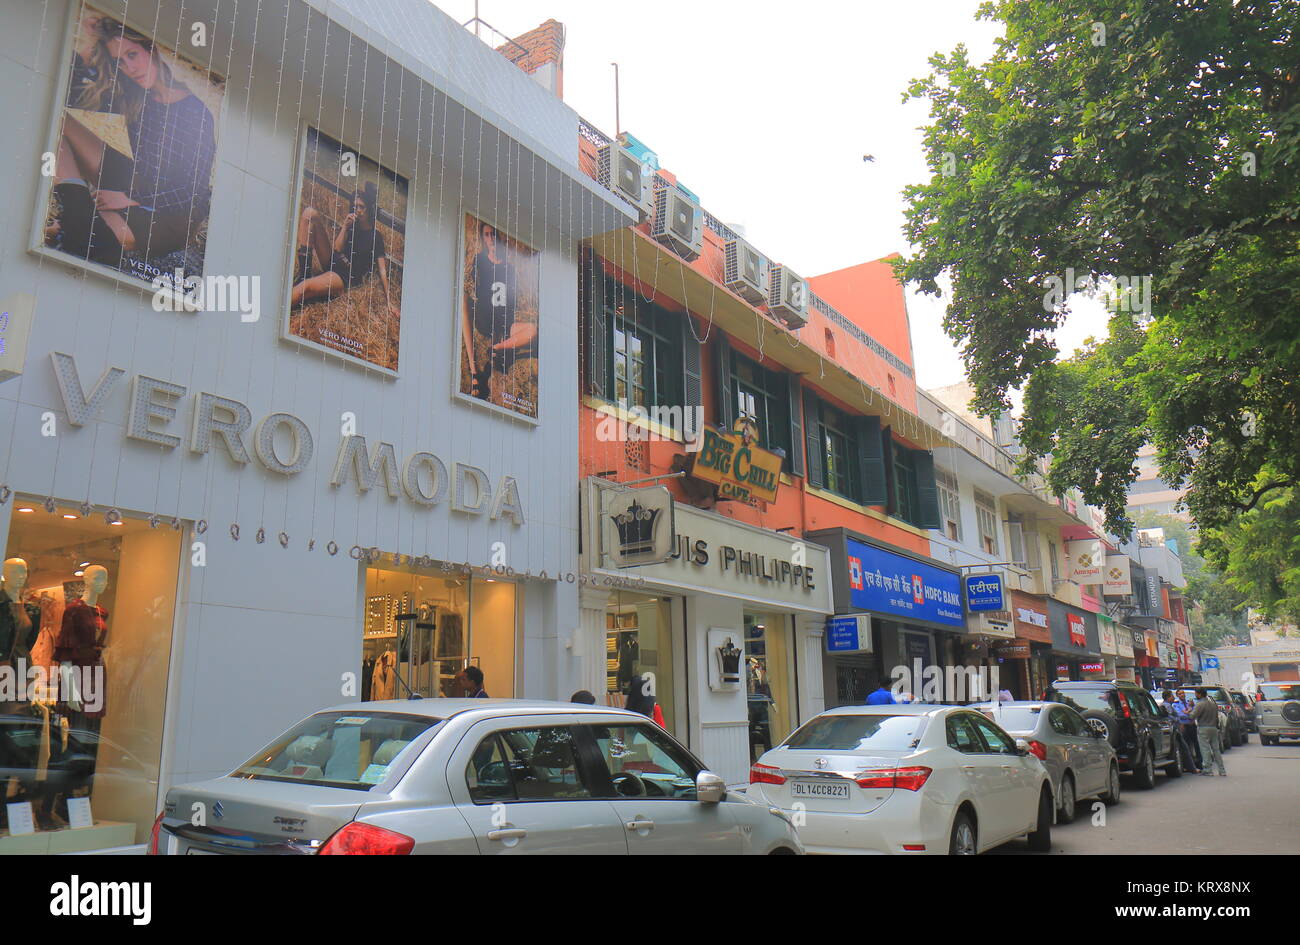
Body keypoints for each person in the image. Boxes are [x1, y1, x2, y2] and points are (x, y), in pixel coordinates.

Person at [50, 15, 217, 269]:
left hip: (168, 214)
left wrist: (129, 197)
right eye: (120, 62)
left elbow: (193, 193)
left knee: (90, 234)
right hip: (129, 180)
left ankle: (75, 220)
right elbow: (72, 93)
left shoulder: (195, 113)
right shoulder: (135, 95)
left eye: (132, 55)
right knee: (61, 121)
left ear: (151, 50)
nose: (130, 68)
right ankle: (76, 208)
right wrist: (92, 45)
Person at [291, 179, 399, 319]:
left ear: (369, 210)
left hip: (345, 276)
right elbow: (336, 249)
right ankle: (304, 273)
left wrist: (389, 300)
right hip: (334, 262)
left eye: (362, 207)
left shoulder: (375, 236)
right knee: (309, 213)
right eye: (355, 207)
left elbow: (383, 271)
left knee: (305, 288)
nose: (358, 211)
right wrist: (345, 227)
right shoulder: (352, 225)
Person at [462, 221, 536, 401]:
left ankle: (497, 348)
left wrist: (503, 332)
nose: (491, 238)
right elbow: (471, 285)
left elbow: (511, 302)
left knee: (532, 330)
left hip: (504, 323)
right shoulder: (479, 260)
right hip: (484, 317)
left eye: (493, 234)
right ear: (483, 238)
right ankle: (474, 371)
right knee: (462, 300)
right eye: (486, 235)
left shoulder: (508, 268)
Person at [1189, 688, 1226, 776]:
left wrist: (1190, 708)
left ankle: (1208, 769)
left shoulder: (1200, 704)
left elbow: (1192, 716)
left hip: (1203, 728)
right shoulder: (1213, 703)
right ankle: (1222, 770)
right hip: (1213, 727)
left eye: (1196, 694)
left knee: (1205, 749)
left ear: (1200, 694)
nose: (1195, 695)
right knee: (1216, 750)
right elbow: (1217, 716)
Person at [1162, 689, 1199, 773]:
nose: (1173, 697)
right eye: (1172, 696)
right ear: (1168, 697)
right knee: (1185, 748)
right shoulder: (1168, 706)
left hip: (1188, 726)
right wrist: (1179, 721)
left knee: (1189, 746)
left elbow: (1193, 712)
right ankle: (1192, 768)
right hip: (1176, 729)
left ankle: (1190, 766)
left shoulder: (1169, 705)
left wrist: (1187, 711)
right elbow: (1174, 716)